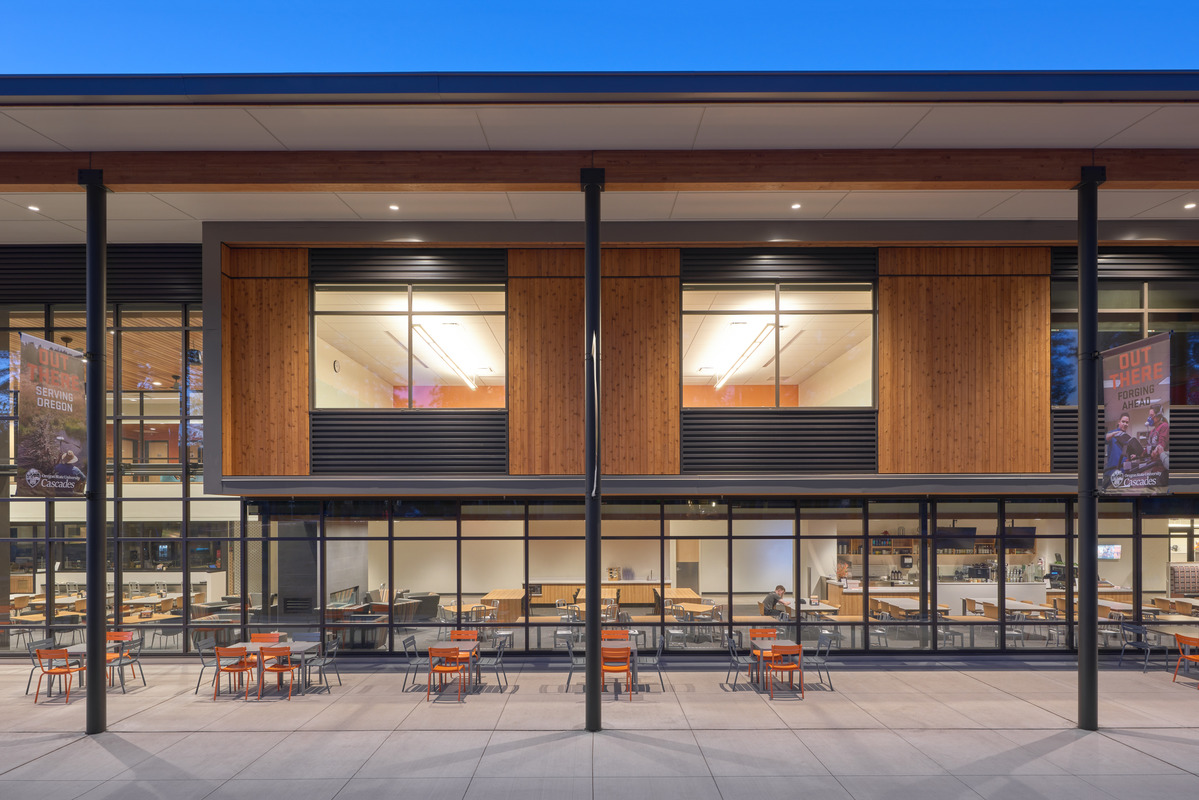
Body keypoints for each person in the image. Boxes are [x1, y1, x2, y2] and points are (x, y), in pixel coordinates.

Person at [1103, 413, 1131, 487]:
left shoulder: (1128, 438)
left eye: (1127, 422)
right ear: (1119, 422)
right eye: (1123, 421)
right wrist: (1112, 434)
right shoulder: (1112, 434)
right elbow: (1104, 439)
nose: (1125, 424)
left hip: (1123, 473)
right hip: (1111, 472)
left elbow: (1128, 454)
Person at [1146, 401, 1170, 469]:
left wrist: (1155, 452)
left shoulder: (1164, 426)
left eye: (1151, 415)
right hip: (1154, 466)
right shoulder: (1152, 431)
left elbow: (1161, 444)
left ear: (1158, 415)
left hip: (1162, 466)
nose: (1149, 418)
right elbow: (1148, 447)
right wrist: (1138, 454)